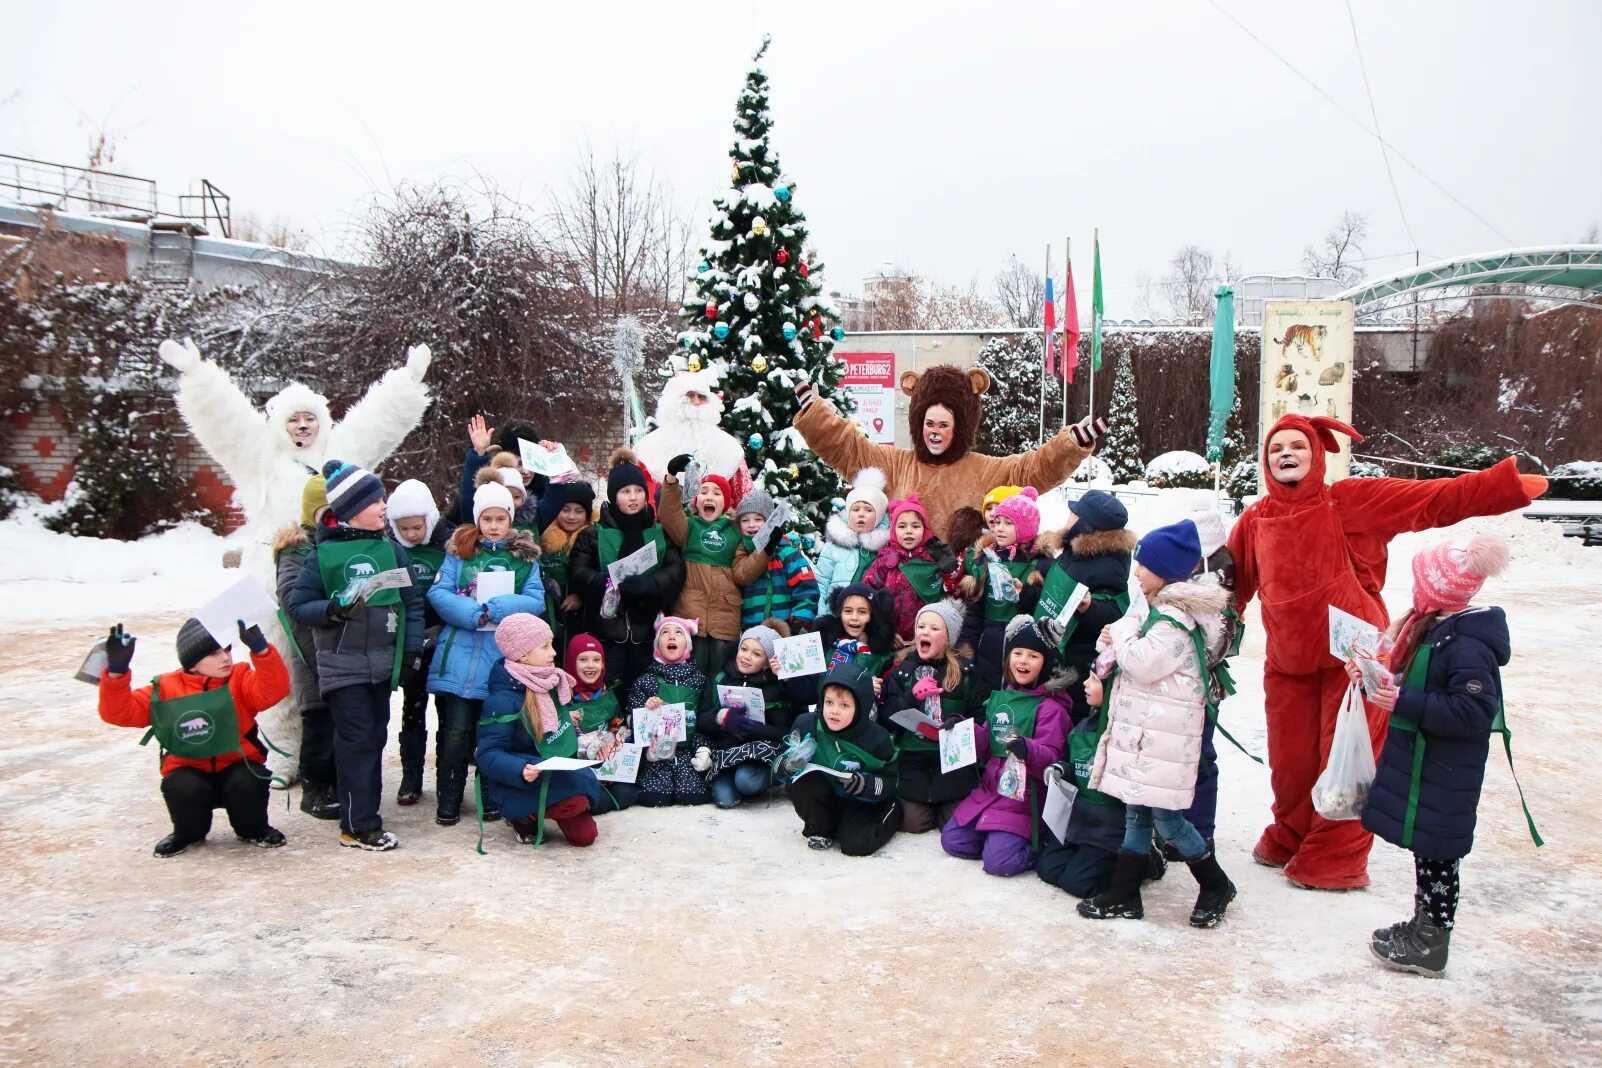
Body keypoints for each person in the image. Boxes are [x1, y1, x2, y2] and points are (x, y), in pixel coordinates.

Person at [1228, 414, 1543, 890]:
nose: (1286, 454)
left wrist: (1500, 487)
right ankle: (1293, 832)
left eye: (1298, 445)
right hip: (1288, 662)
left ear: (1318, 455)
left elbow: (1430, 501)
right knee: (1290, 760)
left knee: (1348, 757)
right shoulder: (1257, 517)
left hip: (1354, 661)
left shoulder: (1348, 500)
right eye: (1276, 449)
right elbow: (1235, 581)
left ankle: (1336, 857)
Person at [156, 337, 432, 786]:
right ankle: (284, 754)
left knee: (331, 671)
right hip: (271, 574)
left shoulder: (339, 456)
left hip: (333, 570)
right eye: (293, 419)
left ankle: (330, 761)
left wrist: (407, 382)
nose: (302, 426)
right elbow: (227, 423)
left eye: (310, 418)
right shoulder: (261, 459)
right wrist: (198, 375)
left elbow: (375, 421)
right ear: (279, 425)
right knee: (278, 666)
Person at [1359, 534, 1529, 977]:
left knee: (1438, 855)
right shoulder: (1436, 628)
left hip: (1445, 769)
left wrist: (1403, 702)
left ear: (1438, 589)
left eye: (1420, 582)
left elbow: (1473, 710)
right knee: (1429, 852)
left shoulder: (1466, 645)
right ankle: (1424, 925)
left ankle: (1432, 942)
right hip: (1428, 763)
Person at [1078, 520, 1236, 928]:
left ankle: (1215, 882)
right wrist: (1113, 643)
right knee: (1137, 814)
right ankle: (1124, 893)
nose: (1135, 573)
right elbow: (1134, 659)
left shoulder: (1173, 619)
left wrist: (1125, 629)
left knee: (1167, 820)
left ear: (1164, 570)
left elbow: (1145, 664)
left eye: (1143, 566)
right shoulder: (1158, 614)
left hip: (1162, 742)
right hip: (1148, 738)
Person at [791, 363, 1104, 542]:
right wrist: (815, 414)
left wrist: (1069, 445)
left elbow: (1030, 470)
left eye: (944, 424)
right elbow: (851, 449)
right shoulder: (896, 464)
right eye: (928, 423)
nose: (935, 431)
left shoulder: (984, 469)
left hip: (961, 588)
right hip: (905, 586)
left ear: (960, 427)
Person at [286, 460, 427, 851]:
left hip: (382, 665)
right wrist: (333, 609)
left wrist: (412, 651)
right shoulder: (323, 556)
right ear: (349, 510)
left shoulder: (392, 550)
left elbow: (412, 603)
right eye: (376, 501)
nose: (385, 507)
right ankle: (358, 825)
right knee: (357, 740)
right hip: (340, 665)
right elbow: (298, 606)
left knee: (374, 737)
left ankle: (361, 812)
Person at [97, 618, 290, 857]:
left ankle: (254, 829)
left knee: (248, 779)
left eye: (227, 649)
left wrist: (261, 651)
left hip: (237, 764)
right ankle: (187, 834)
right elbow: (119, 713)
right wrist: (117, 673)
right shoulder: (166, 688)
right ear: (192, 662)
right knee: (181, 785)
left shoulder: (239, 679)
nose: (225, 658)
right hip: (189, 769)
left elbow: (274, 690)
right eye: (214, 653)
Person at [425, 479, 545, 827]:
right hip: (461, 657)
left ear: (510, 519)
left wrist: (496, 608)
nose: (494, 526)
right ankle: (448, 798)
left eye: (500, 519)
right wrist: (470, 612)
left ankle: (491, 797)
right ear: (478, 519)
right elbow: (440, 592)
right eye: (487, 519)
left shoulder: (524, 557)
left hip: (500, 659)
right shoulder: (460, 551)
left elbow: (535, 599)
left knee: (491, 733)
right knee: (456, 731)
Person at [941, 616, 1069, 876]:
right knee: (952, 841)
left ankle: (1035, 844)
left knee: (998, 863)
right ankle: (997, 835)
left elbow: (1054, 755)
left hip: (1024, 797)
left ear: (1046, 664)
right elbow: (987, 744)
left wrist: (1028, 749)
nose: (1023, 660)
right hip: (990, 791)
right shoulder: (1002, 698)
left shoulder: (1051, 708)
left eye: (1033, 656)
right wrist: (964, 729)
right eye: (1017, 653)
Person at [476, 614, 603, 847]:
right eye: (545, 646)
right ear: (523, 654)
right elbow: (486, 754)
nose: (553, 652)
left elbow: (556, 732)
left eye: (552, 644)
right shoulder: (503, 700)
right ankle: (522, 816)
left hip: (554, 767)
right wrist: (519, 769)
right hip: (523, 777)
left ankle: (548, 806)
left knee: (585, 837)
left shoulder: (551, 682)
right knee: (574, 801)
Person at [568, 449, 687, 695]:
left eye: (638, 491)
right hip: (606, 634)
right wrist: (597, 581)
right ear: (614, 496)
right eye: (625, 492)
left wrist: (653, 584)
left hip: (647, 633)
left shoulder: (659, 532)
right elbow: (577, 570)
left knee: (646, 693)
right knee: (611, 690)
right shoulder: (594, 534)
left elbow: (676, 568)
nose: (633, 498)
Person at [880, 600, 983, 833]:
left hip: (952, 763)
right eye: (921, 627)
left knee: (955, 824)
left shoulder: (965, 673)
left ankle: (944, 804)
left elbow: (980, 714)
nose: (925, 632)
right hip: (914, 761)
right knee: (914, 823)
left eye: (934, 629)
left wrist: (958, 724)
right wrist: (910, 697)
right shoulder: (903, 671)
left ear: (948, 637)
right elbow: (887, 720)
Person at [659, 457, 768, 676]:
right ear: (696, 500)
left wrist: (765, 550)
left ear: (726, 503)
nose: (710, 496)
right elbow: (668, 515)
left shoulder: (734, 531)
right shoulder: (689, 527)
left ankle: (719, 711)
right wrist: (671, 479)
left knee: (719, 676)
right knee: (690, 673)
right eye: (704, 491)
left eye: (717, 493)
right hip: (690, 615)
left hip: (725, 619)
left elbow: (742, 573)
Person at [1033, 490, 1134, 726]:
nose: (1069, 516)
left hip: (1078, 658)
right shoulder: (1075, 549)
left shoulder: (1109, 563)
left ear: (1086, 525)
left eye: (1074, 513)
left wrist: (1089, 607)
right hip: (1057, 649)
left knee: (1070, 716)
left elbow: (1114, 611)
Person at [779, 663, 900, 855]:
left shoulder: (877, 738)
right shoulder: (807, 724)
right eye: (829, 702)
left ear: (861, 707)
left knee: (855, 846)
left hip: (859, 800)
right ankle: (821, 827)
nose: (834, 711)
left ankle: (889, 815)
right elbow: (779, 765)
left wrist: (865, 785)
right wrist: (789, 764)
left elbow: (892, 780)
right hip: (823, 795)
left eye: (844, 705)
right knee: (800, 782)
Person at [273, 475, 339, 820]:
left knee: (340, 722)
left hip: (340, 649)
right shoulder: (297, 549)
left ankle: (336, 781)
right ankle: (314, 787)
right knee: (318, 721)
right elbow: (291, 598)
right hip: (309, 649)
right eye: (328, 512)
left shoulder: (342, 542)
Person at [387, 478, 450, 807]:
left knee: (446, 710)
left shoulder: (446, 544)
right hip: (410, 642)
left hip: (443, 637)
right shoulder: (391, 549)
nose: (412, 533)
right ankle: (411, 774)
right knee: (412, 710)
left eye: (417, 526)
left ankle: (444, 774)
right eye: (405, 528)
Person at [695, 622, 793, 809]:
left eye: (757, 654)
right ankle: (730, 778)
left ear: (767, 662)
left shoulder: (774, 687)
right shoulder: (719, 677)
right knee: (724, 799)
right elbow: (700, 719)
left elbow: (783, 733)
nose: (747, 657)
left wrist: (755, 728)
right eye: (744, 649)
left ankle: (768, 779)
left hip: (755, 757)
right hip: (724, 752)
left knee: (746, 781)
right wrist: (720, 717)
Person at [958, 486, 1047, 691]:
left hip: (1023, 646)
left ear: (1025, 527)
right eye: (997, 522)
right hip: (988, 642)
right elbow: (974, 612)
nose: (999, 528)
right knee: (984, 691)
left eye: (1008, 523)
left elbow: (1045, 606)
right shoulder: (985, 560)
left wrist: (1025, 594)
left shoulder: (1040, 564)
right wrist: (966, 649)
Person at [625, 616, 712, 807]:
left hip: (686, 751)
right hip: (655, 754)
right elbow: (631, 721)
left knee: (692, 795)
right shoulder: (646, 680)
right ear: (657, 645)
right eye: (665, 633)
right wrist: (646, 710)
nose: (671, 637)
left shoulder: (699, 680)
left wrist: (703, 749)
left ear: (687, 645)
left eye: (678, 633)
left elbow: (704, 721)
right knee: (654, 795)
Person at [862, 494, 961, 644]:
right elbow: (867, 596)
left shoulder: (935, 560)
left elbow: (949, 597)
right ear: (893, 530)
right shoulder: (884, 561)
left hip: (925, 640)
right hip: (889, 638)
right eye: (902, 526)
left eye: (915, 526)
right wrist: (884, 631)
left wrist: (950, 572)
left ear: (925, 529)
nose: (909, 531)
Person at [558, 634, 638, 813]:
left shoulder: (606, 694)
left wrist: (616, 741)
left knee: (625, 795)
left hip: (604, 762)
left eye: (596, 660)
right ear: (571, 662)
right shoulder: (561, 697)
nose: (590, 665)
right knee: (598, 803)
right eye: (583, 659)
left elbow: (618, 724)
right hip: (574, 766)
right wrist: (563, 719)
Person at [734, 487, 819, 633]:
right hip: (752, 634)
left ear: (769, 522)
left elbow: (807, 589)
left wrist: (800, 622)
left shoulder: (786, 554)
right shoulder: (741, 555)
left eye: (758, 519)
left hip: (783, 631)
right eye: (745, 520)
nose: (751, 524)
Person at [812, 467, 891, 615]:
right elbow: (821, 583)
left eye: (868, 510)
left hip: (870, 620)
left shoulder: (886, 549)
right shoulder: (834, 546)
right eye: (856, 509)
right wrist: (821, 618)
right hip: (835, 617)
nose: (861, 514)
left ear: (879, 515)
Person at [539, 480, 598, 653]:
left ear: (587, 515)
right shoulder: (544, 537)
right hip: (548, 612)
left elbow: (600, 575)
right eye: (565, 510)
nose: (571, 517)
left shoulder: (595, 539)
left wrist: (581, 596)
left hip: (582, 616)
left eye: (579, 511)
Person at [815, 584, 898, 697]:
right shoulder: (828, 644)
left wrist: (864, 649)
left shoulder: (881, 655)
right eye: (848, 611)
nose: (854, 617)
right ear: (840, 613)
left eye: (862, 612)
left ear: (872, 616)